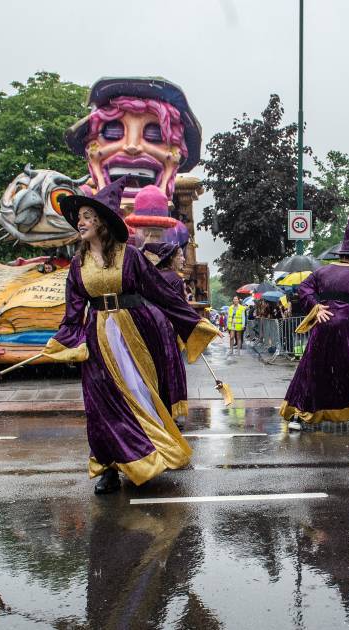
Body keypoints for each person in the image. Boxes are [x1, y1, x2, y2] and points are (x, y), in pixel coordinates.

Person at [44, 178, 218, 495]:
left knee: (139, 394)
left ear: (103, 223)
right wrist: (65, 342)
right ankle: (108, 468)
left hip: (135, 333)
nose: (80, 222)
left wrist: (193, 324)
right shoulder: (77, 263)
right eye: (79, 218)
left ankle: (145, 456)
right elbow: (73, 310)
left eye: (86, 217)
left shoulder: (131, 256)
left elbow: (162, 294)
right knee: (99, 403)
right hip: (98, 336)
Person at [280, 212, 349, 432]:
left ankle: (300, 415)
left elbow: (303, 288)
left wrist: (316, 307)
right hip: (348, 326)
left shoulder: (322, 271)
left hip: (323, 324)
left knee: (313, 368)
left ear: (340, 254)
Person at [142, 241, 193, 426]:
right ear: (170, 258)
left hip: (148, 325)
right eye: (180, 255)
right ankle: (173, 412)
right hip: (166, 328)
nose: (183, 259)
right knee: (172, 370)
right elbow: (180, 309)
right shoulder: (175, 279)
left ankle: (156, 411)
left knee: (155, 370)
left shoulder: (153, 276)